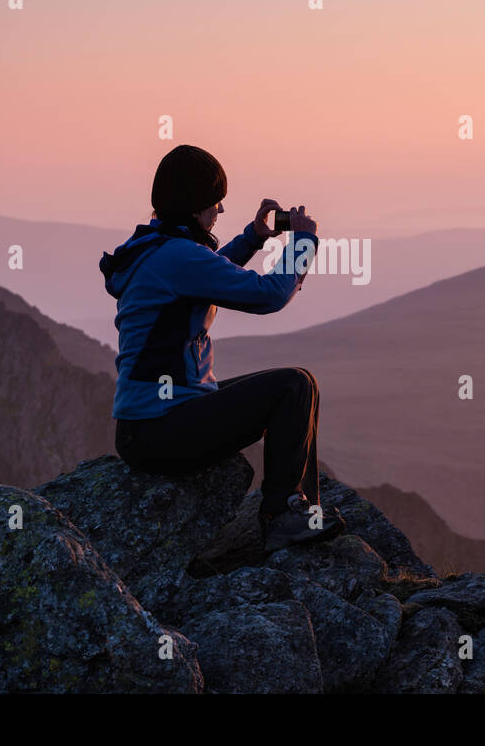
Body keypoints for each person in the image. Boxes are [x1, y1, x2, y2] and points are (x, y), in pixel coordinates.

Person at [99, 143, 345, 551]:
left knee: (296, 387)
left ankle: (294, 508)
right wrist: (303, 243)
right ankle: (284, 515)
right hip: (160, 429)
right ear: (194, 205)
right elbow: (267, 296)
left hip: (147, 426)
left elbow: (207, 273)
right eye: (215, 202)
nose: (220, 211)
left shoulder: (155, 249)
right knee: (294, 387)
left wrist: (252, 238)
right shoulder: (176, 256)